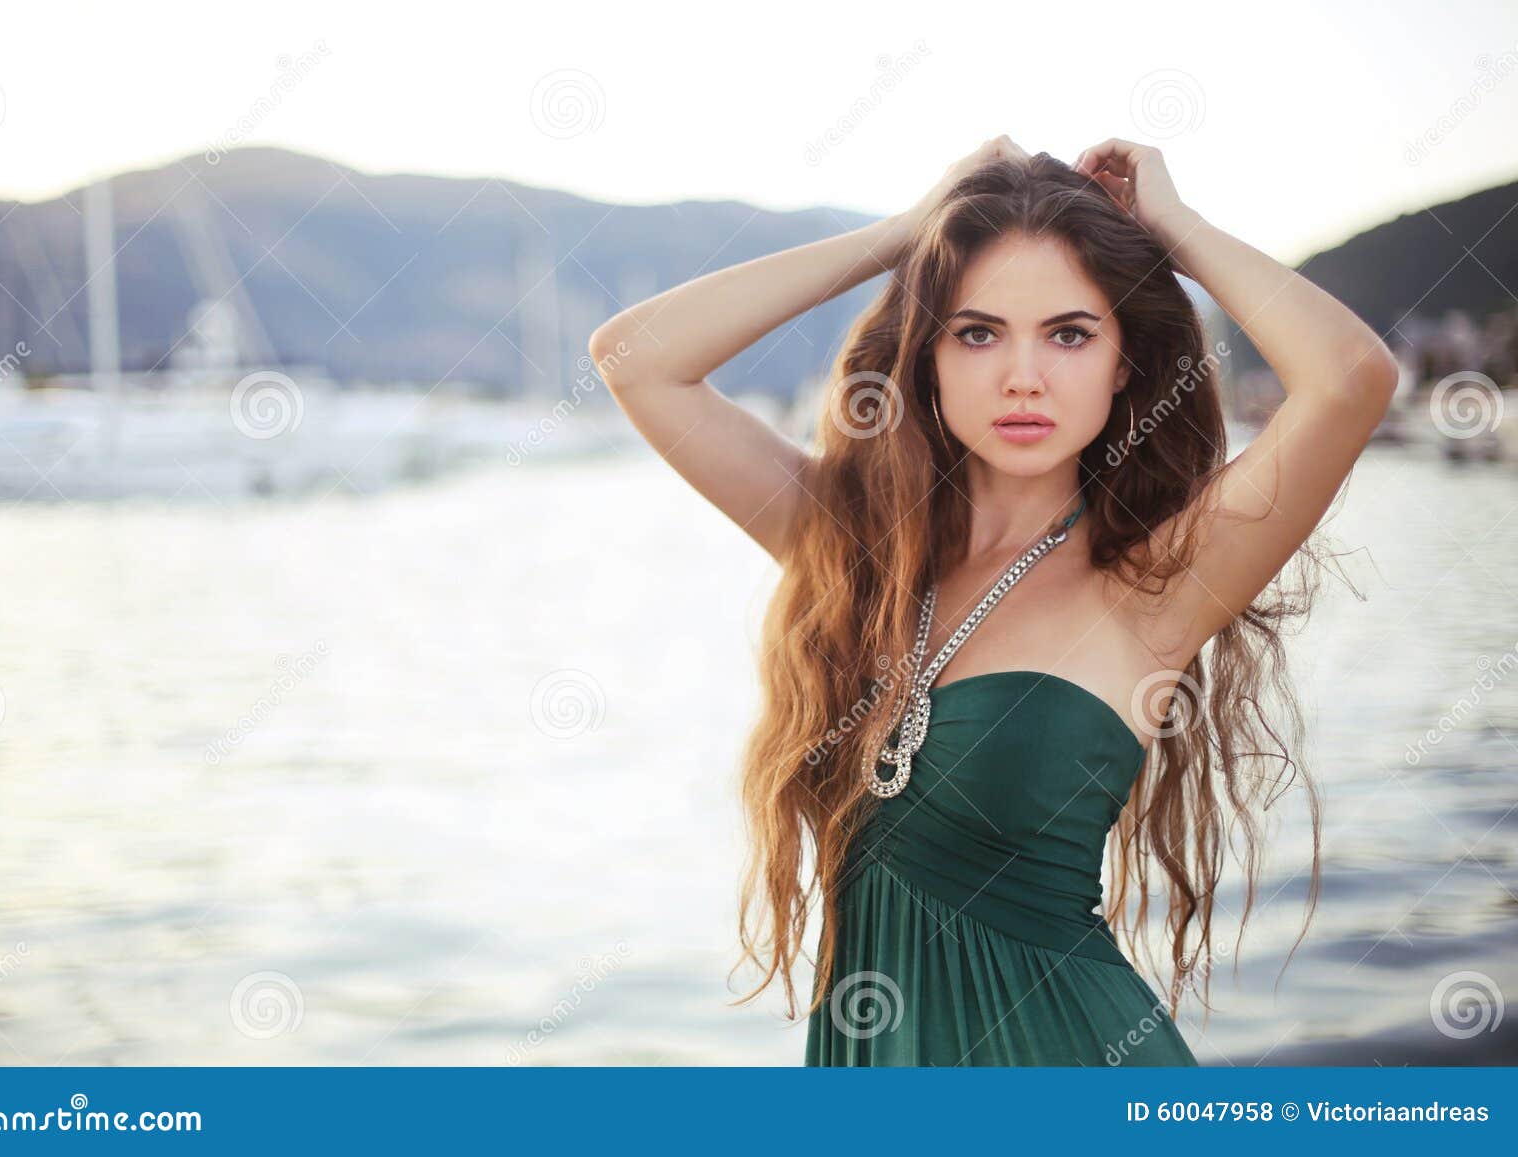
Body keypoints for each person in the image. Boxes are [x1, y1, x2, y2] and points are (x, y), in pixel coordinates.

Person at [587, 135, 1397, 1066]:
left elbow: (1350, 378)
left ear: (1125, 362)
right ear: (928, 357)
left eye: (1069, 333)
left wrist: (1177, 226)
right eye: (977, 331)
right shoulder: (857, 550)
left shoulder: (1153, 581)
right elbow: (636, 358)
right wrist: (903, 234)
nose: (1024, 376)